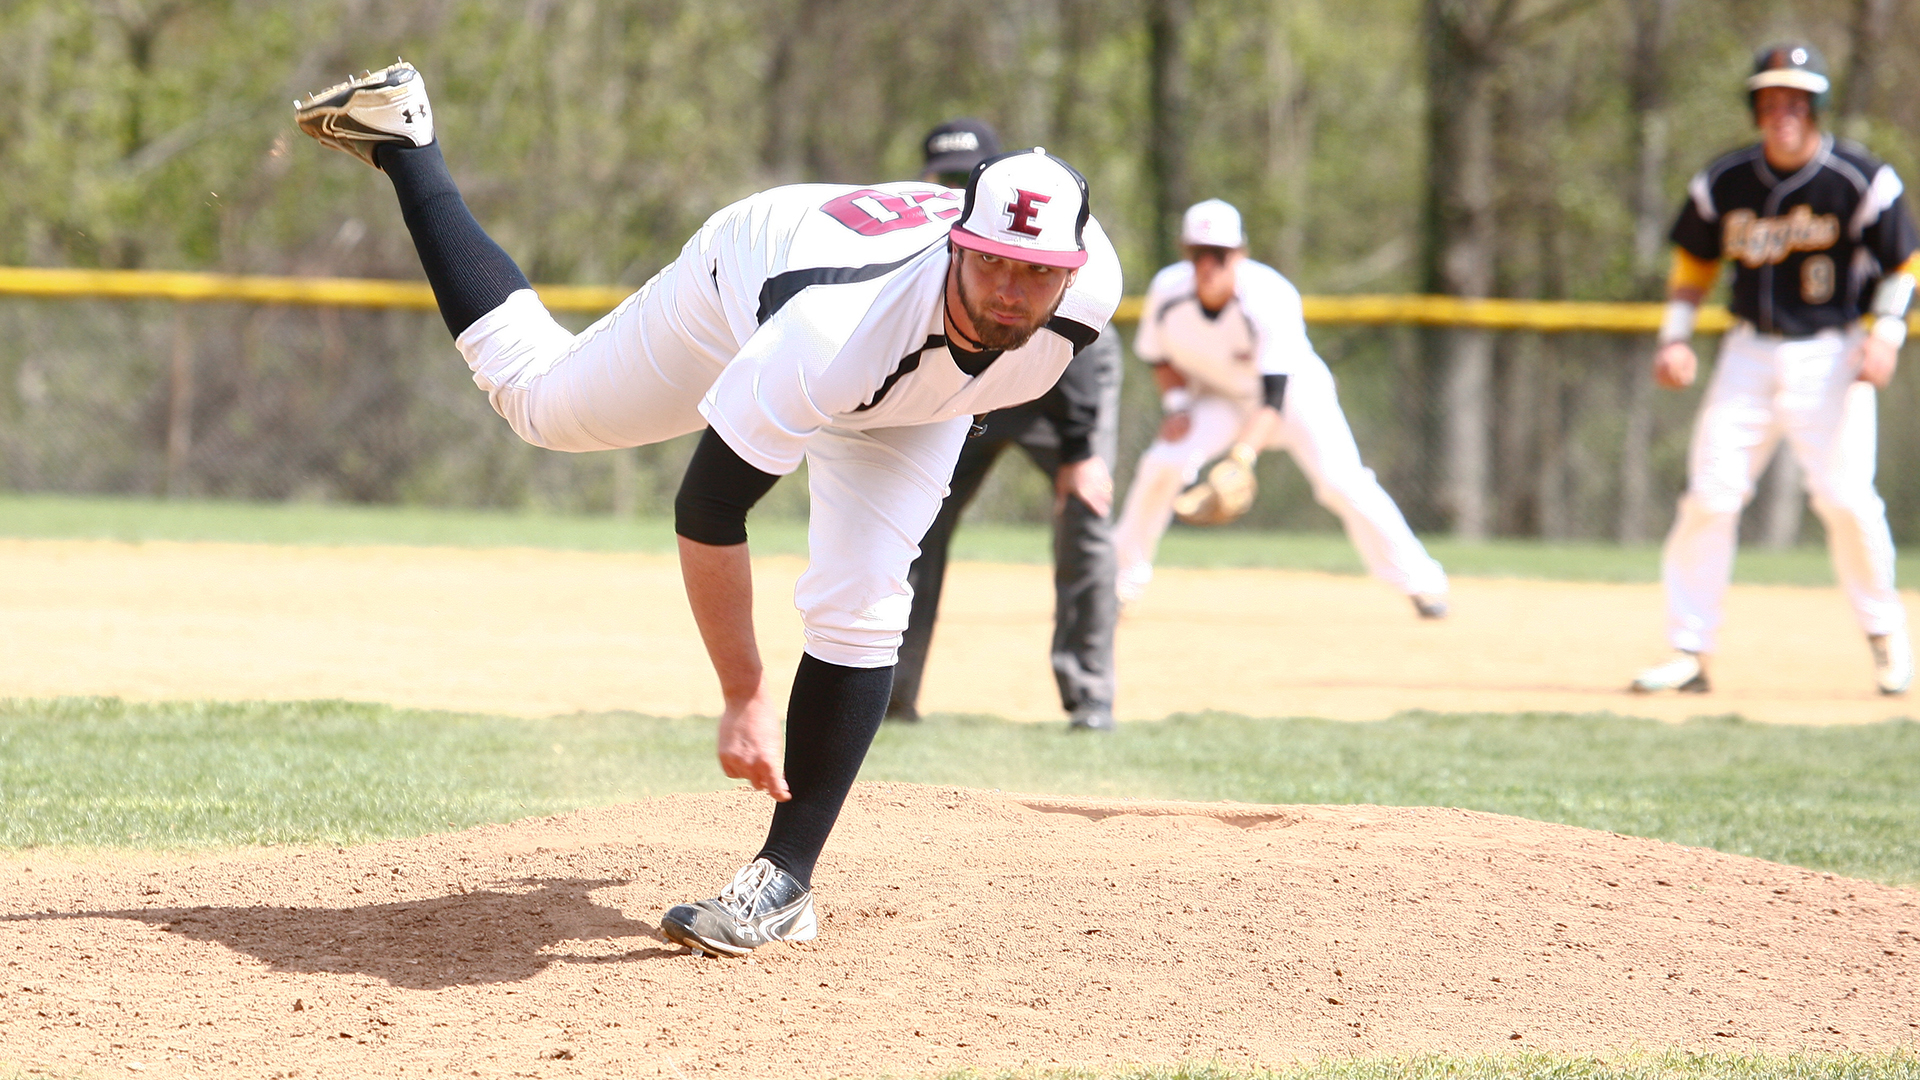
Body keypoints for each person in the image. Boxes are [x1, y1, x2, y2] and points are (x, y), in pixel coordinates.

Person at [294, 62, 1121, 955]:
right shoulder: (825, 334)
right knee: (538, 404)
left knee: (866, 602)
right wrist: (744, 694)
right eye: (991, 259)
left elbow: (1001, 345)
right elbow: (709, 507)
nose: (1008, 290)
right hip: (759, 277)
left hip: (914, 391)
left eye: (1034, 273)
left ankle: (785, 882)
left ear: (1070, 273)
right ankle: (407, 142)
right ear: (958, 244)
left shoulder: (1093, 291)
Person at [1630, 44, 1918, 697]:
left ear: (1813, 108)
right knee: (1710, 495)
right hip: (1748, 352)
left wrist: (1888, 334)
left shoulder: (1859, 179)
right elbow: (1693, 268)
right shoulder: (1725, 182)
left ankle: (1885, 640)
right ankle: (1689, 649)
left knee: (1844, 501)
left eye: (1794, 101)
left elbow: (1904, 263)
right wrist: (1674, 339)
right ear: (1756, 109)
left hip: (1833, 353)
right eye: (1769, 101)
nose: (1781, 113)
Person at [889, 119, 1124, 732]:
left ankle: (1090, 697)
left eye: (958, 175)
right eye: (939, 177)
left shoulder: (1035, 227)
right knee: (913, 519)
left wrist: (1080, 449)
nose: (946, 185)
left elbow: (1075, 336)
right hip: (971, 390)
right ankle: (889, 691)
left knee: (1086, 517)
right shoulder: (936, 243)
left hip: (1066, 384)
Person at [1112, 199, 1449, 616]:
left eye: (1219, 254)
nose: (1208, 264)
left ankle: (1422, 582)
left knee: (1342, 483)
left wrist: (1241, 458)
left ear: (1240, 255)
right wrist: (1178, 406)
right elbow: (1157, 355)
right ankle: (1115, 583)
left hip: (1294, 397)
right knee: (1163, 463)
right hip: (1219, 397)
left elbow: (1272, 399)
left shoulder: (1269, 295)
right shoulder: (1168, 290)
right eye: (1199, 253)